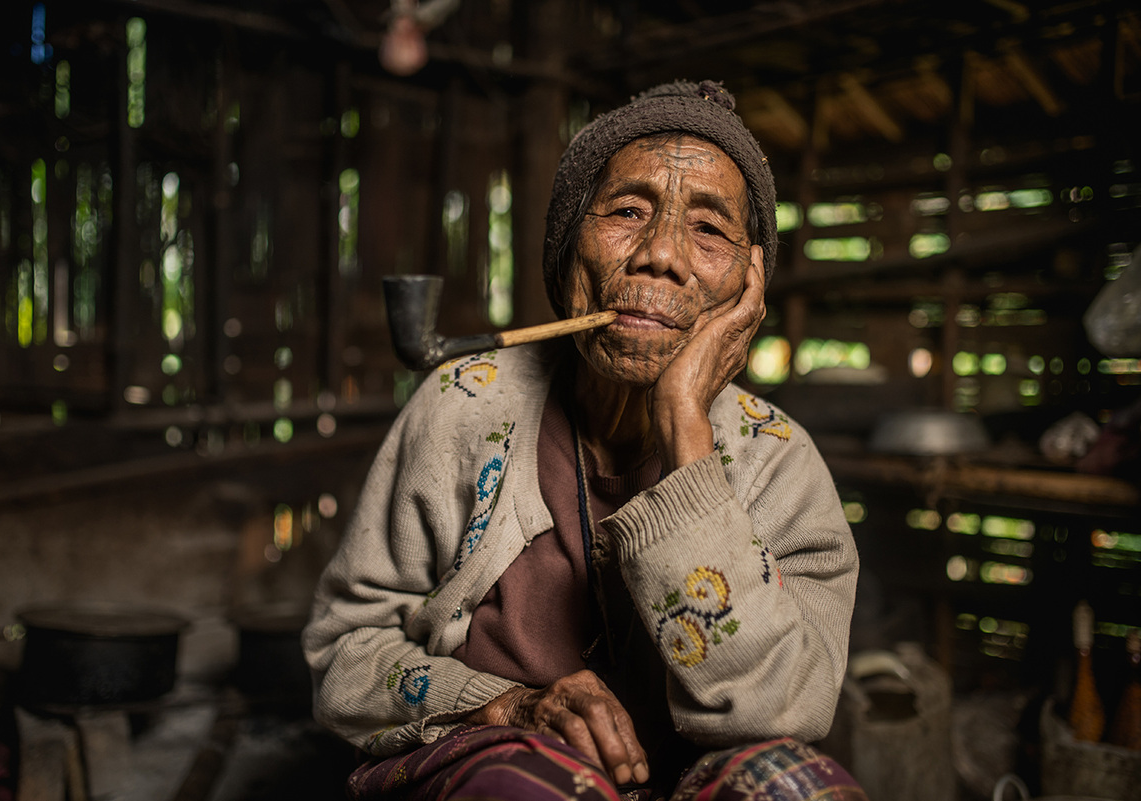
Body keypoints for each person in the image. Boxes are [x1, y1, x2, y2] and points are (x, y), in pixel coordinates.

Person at [303, 79, 866, 801]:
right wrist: (508, 705)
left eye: (709, 229)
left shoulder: (779, 462)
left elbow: (780, 711)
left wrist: (684, 427)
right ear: (569, 246)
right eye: (627, 211)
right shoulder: (464, 407)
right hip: (503, 763)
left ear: (748, 288)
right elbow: (343, 655)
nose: (660, 254)